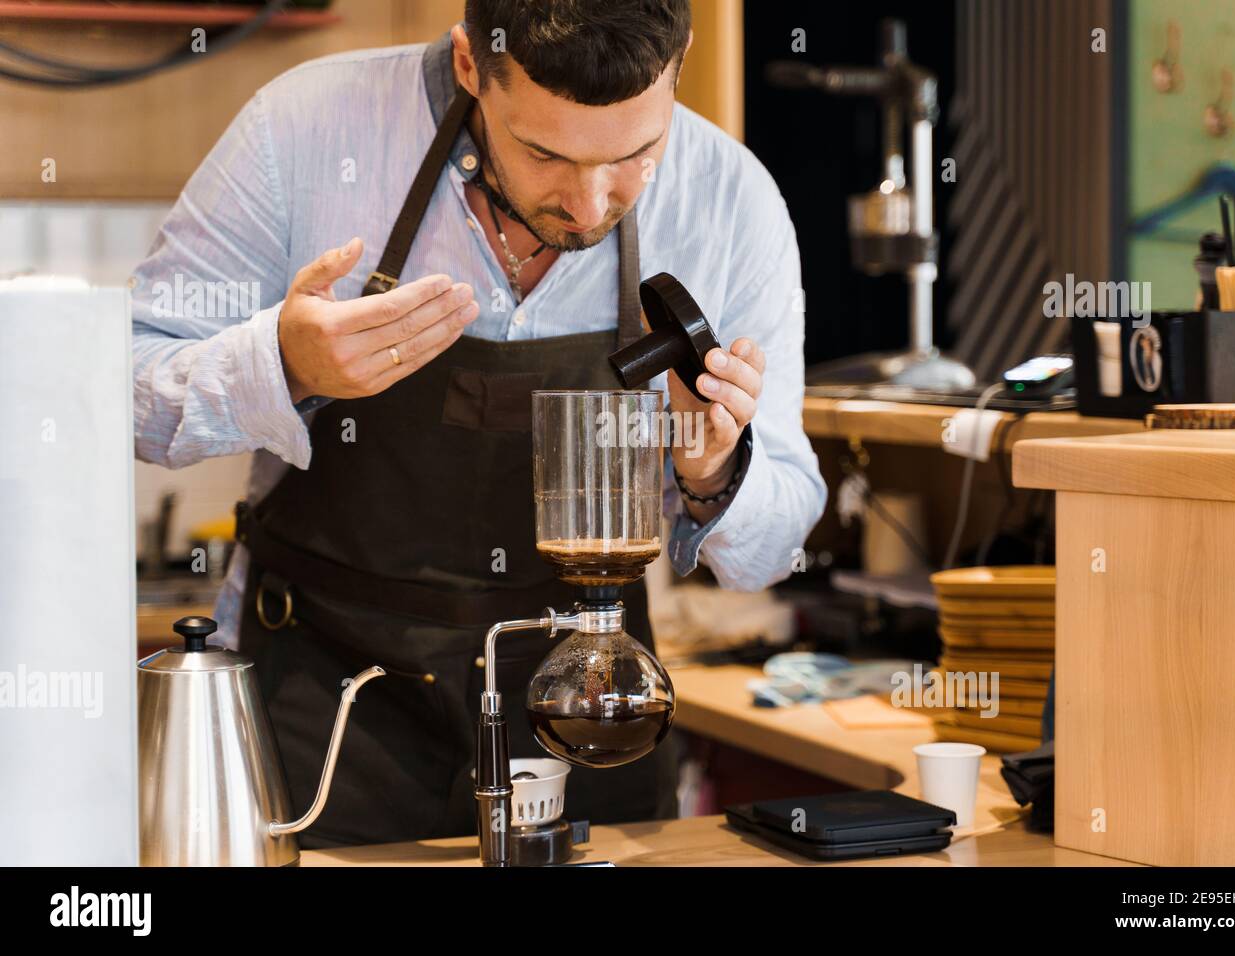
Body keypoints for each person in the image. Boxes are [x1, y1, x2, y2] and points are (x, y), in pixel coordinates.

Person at [132, 0, 826, 848]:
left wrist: (713, 465)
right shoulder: (304, 132)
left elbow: (773, 542)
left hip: (586, 693)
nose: (589, 202)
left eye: (638, 154)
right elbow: (123, 391)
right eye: (545, 153)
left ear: (677, 65)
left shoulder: (730, 200)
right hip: (331, 694)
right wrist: (278, 366)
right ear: (471, 63)